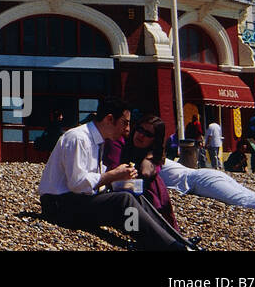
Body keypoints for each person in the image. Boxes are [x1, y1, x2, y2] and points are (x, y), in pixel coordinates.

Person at [37, 97, 194, 251]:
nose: (127, 129)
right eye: (125, 123)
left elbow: (91, 182)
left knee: (136, 196)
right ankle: (172, 248)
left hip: (73, 201)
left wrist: (120, 179)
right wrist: (114, 175)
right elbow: (77, 184)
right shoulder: (78, 138)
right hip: (58, 206)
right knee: (123, 201)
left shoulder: (97, 140)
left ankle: (174, 240)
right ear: (109, 119)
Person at [103, 114, 179, 233]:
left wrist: (150, 156)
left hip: (150, 199)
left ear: (155, 140)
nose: (141, 135)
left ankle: (170, 236)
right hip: (123, 196)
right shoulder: (122, 145)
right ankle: (137, 232)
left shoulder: (154, 156)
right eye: (140, 129)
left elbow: (146, 172)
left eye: (148, 134)